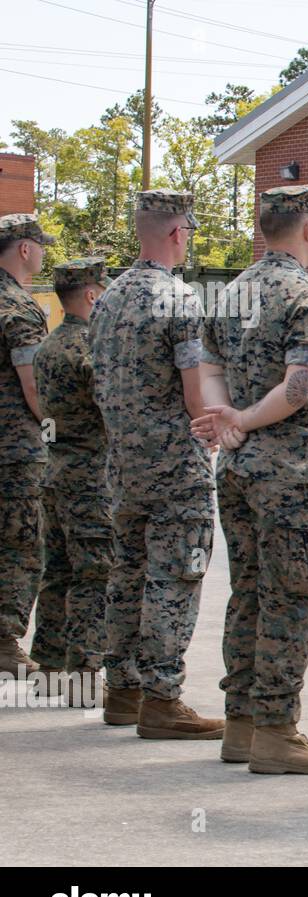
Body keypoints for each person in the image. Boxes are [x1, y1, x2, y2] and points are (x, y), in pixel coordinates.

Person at [192, 184, 308, 774]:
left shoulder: (233, 291)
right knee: (295, 601)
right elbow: (301, 382)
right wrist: (245, 418)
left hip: (237, 470)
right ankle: (277, 732)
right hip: (292, 477)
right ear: (307, 227)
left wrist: (225, 420)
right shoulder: (306, 296)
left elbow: (207, 366)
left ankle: (242, 724)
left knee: (249, 592)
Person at [89, 189, 224, 735]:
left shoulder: (109, 298)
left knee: (127, 575)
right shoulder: (179, 299)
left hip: (122, 464)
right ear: (176, 233)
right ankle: (162, 698)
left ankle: (121, 691)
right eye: (188, 232)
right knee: (175, 576)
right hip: (175, 468)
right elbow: (196, 394)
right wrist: (214, 430)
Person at [30, 257, 113, 707]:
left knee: (57, 571)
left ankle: (48, 665)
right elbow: (110, 410)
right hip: (89, 478)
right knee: (94, 574)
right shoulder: (90, 351)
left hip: (54, 470)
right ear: (91, 294)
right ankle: (83, 672)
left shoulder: (47, 347)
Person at [0, 213, 53, 680]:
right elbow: (34, 386)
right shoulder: (18, 307)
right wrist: (57, 430)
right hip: (15, 448)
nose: (43, 252)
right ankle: (3, 639)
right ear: (23, 248)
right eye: (40, 245)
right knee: (21, 541)